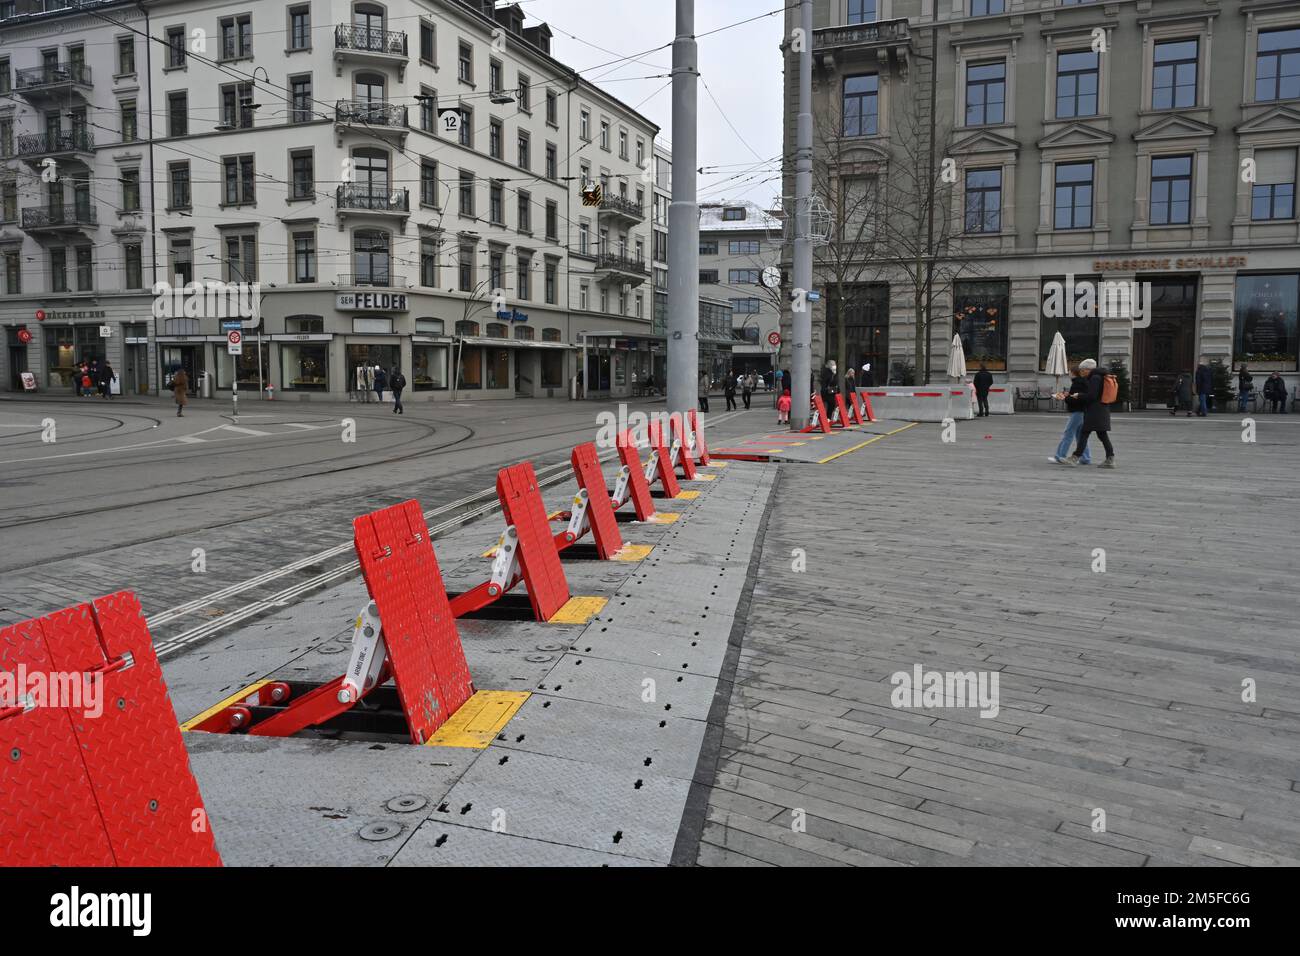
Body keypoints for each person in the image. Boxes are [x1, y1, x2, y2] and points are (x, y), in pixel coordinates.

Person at [1062, 359, 1114, 469]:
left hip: (1094, 410)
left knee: (1084, 433)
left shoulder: (1095, 378)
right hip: (1102, 409)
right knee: (1102, 435)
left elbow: (1092, 396)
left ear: (1088, 369)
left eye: (1083, 370)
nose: (1081, 373)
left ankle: (1075, 457)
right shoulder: (1100, 376)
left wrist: (1078, 395)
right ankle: (1110, 458)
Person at [1051, 368, 1091, 465]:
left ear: (1073, 373)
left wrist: (1065, 397)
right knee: (1080, 436)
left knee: (1068, 433)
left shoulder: (1077, 383)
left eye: (1069, 372)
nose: (1068, 374)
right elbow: (1080, 396)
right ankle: (1085, 457)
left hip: (1077, 412)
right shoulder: (1085, 382)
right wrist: (1069, 395)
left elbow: (1075, 399)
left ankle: (1060, 456)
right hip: (1084, 412)